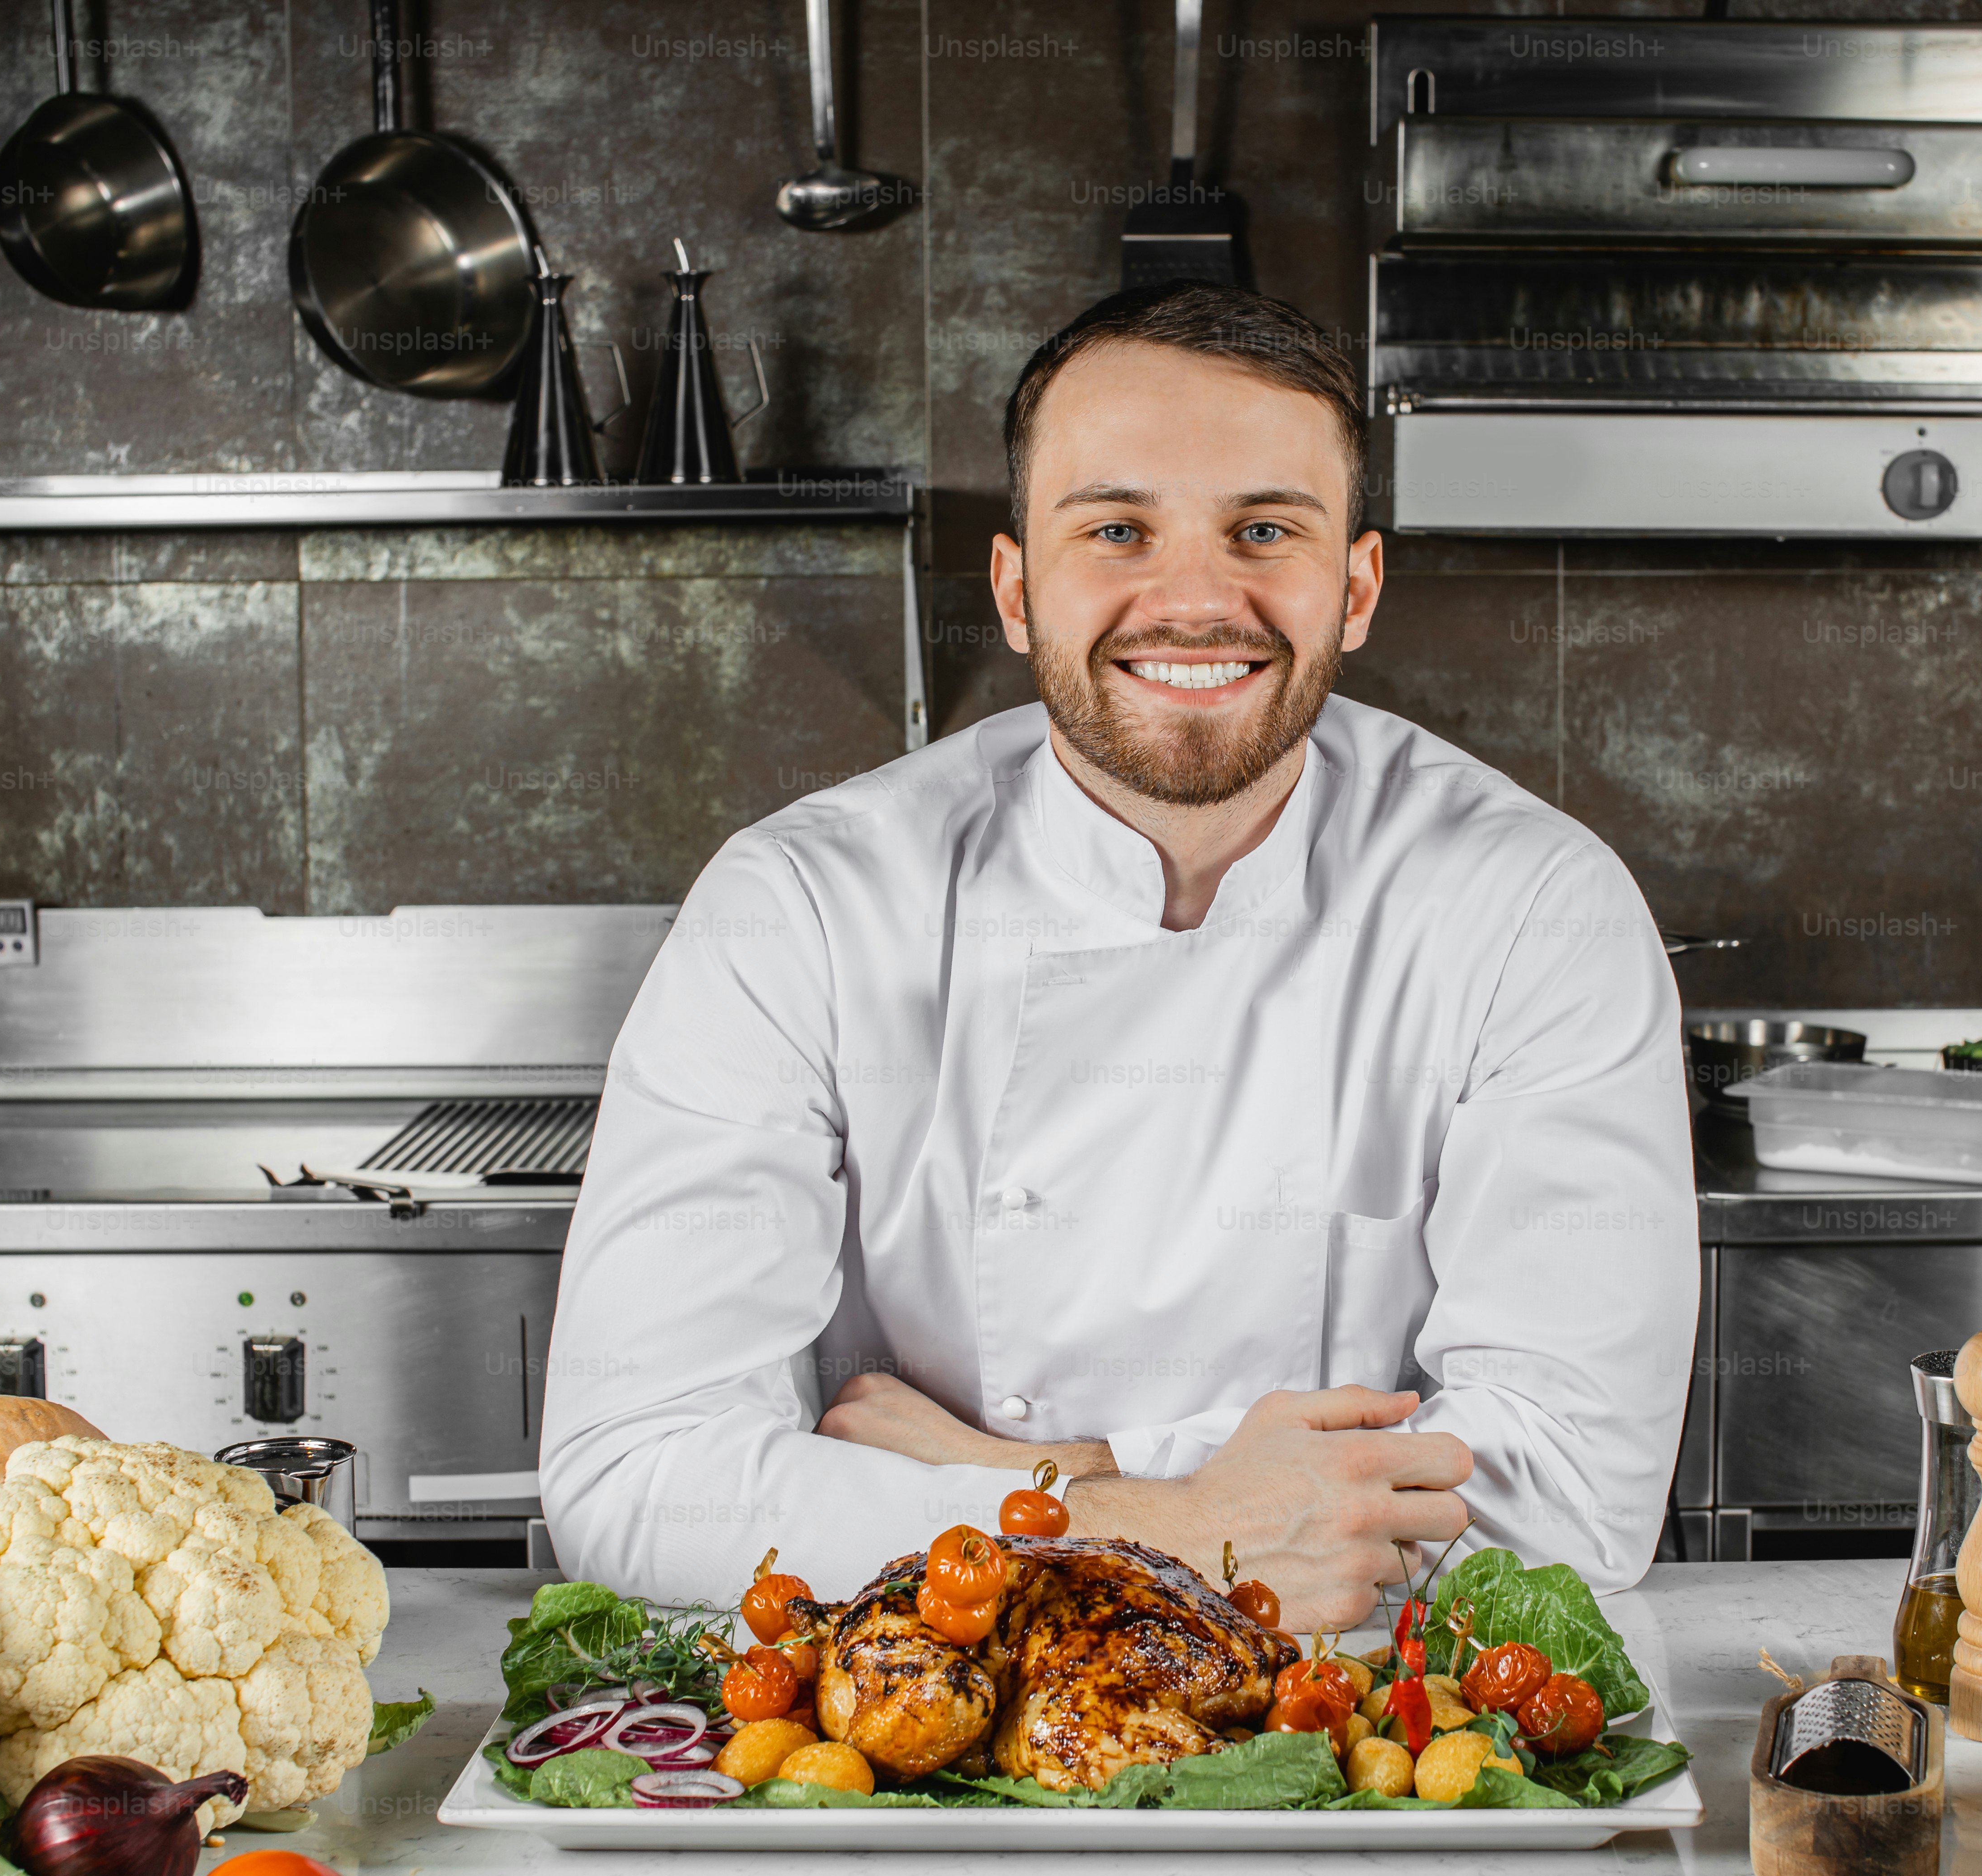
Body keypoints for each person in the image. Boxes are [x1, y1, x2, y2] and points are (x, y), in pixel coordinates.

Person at [540, 282, 1697, 1629]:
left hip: (1345, 1726)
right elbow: (637, 1476)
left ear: (1355, 587)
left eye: (1264, 530)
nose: (1195, 601)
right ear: (1016, 589)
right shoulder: (800, 906)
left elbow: (1574, 1493)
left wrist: (1020, 1480)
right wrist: (1180, 1522)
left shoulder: (1534, 907)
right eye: (1116, 529)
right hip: (940, 1723)